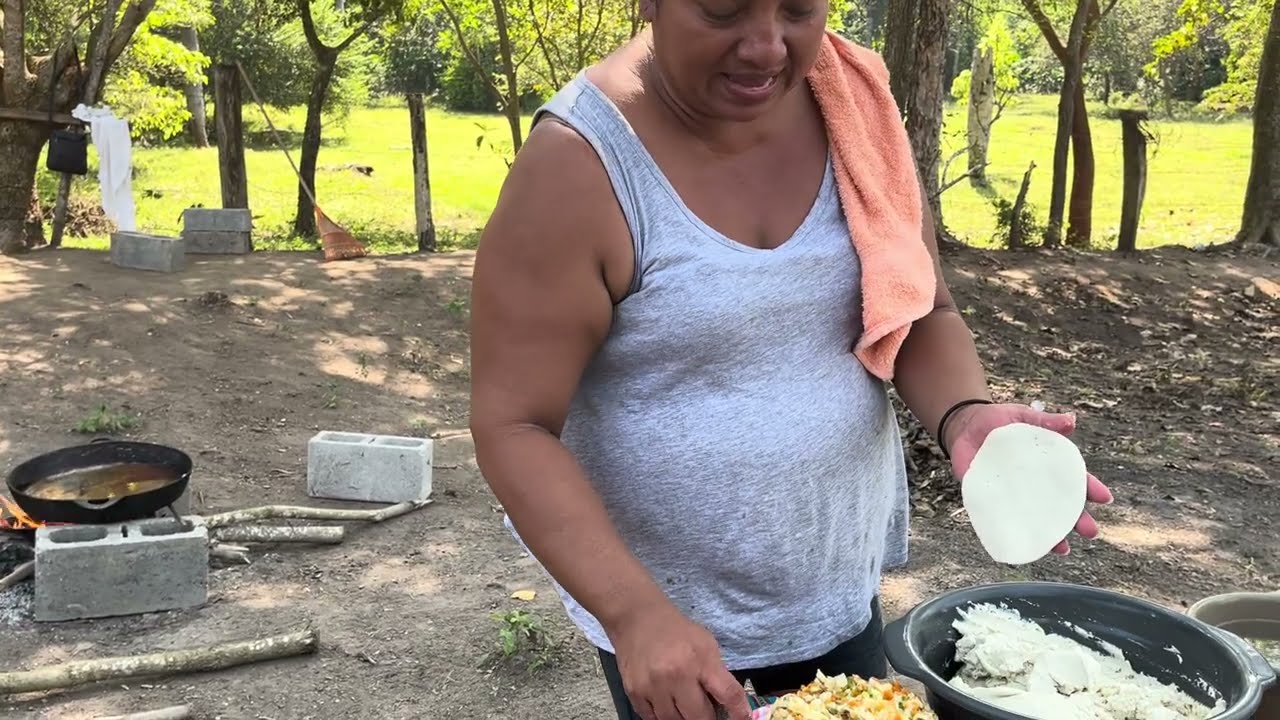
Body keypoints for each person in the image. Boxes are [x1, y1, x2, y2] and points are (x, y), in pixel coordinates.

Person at [467, 1, 1114, 718]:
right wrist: (635, 617)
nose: (768, 48)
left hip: (836, 589)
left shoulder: (854, 104)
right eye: (723, 8)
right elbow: (513, 424)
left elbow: (921, 308)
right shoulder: (576, 167)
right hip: (669, 624)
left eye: (800, 8)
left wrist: (963, 414)